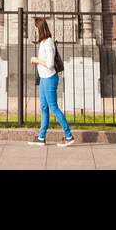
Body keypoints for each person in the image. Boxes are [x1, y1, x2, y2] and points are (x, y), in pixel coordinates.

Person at [28, 15, 74, 147]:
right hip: (43, 79)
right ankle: (41, 137)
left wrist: (36, 60)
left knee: (53, 107)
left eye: (36, 28)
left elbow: (49, 64)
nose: (35, 30)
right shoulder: (43, 42)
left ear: (40, 28)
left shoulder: (48, 43)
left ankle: (68, 135)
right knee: (44, 107)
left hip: (49, 79)